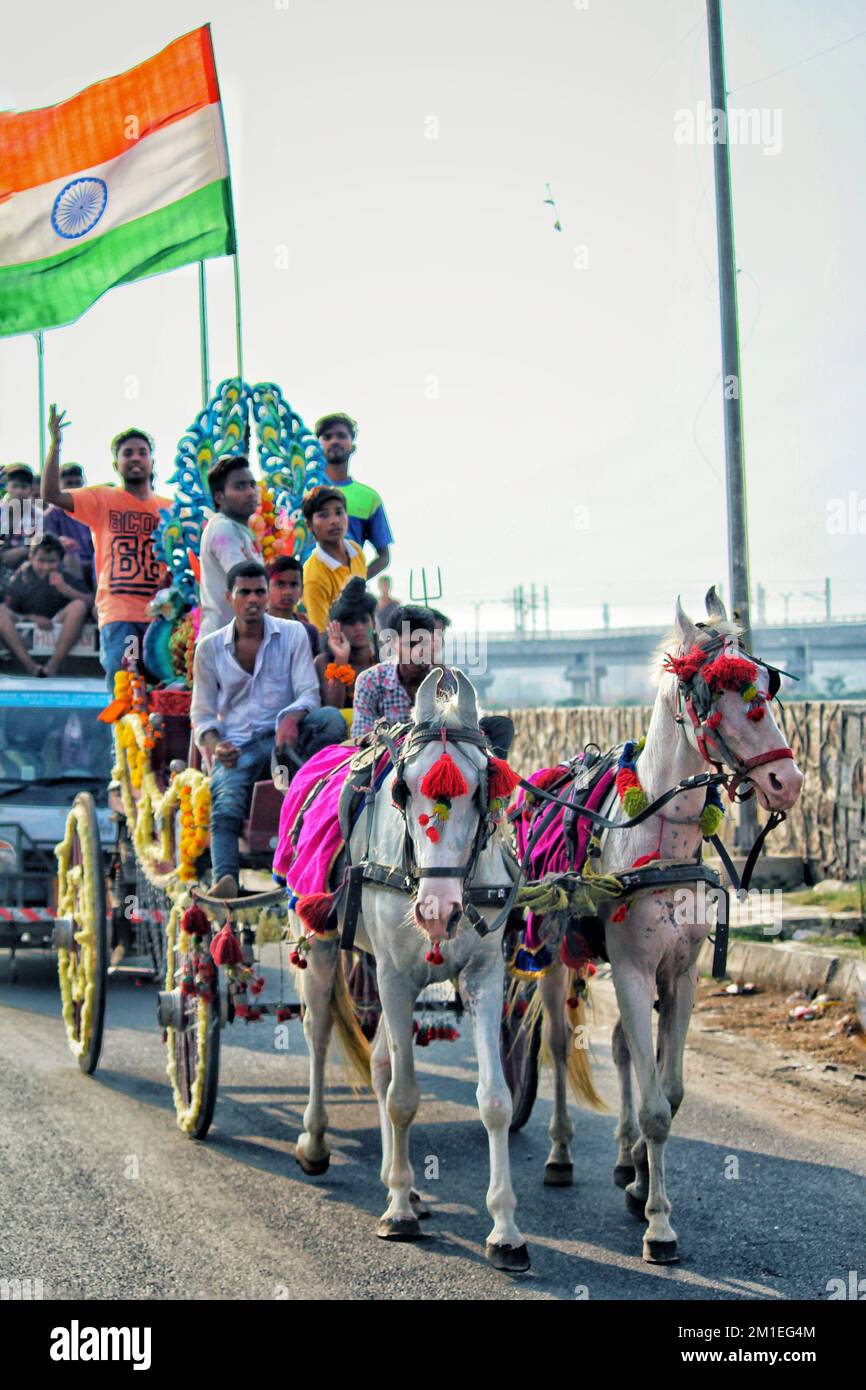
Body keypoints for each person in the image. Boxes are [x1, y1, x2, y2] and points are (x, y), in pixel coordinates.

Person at [190, 561, 347, 897]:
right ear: (229, 597)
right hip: (239, 748)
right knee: (226, 802)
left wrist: (290, 719)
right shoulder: (209, 648)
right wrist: (217, 745)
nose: (253, 599)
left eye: (260, 591)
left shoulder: (292, 634)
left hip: (286, 743)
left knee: (331, 720)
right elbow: (202, 714)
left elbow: (308, 692)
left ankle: (325, 826)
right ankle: (226, 878)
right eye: (244, 592)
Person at [40, 405, 171, 690]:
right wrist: (55, 445)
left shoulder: (170, 509)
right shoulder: (102, 499)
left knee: (163, 699)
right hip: (121, 617)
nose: (135, 458)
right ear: (116, 464)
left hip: (161, 620)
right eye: (127, 453)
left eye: (141, 452)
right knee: (128, 693)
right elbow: (51, 494)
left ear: (151, 461)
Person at [351, 603, 514, 757]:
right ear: (392, 643)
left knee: (500, 726)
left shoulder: (449, 678)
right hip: (390, 760)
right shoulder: (371, 680)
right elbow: (360, 736)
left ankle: (491, 783)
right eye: (409, 644)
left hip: (440, 756)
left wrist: (441, 685)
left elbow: (463, 729)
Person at [315, 412, 393, 578]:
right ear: (317, 445)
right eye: (327, 437)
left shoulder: (369, 498)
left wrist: (356, 583)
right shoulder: (302, 491)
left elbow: (384, 556)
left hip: (346, 601)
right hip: (304, 593)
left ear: (352, 445)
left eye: (341, 436)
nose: (334, 441)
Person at [1, 534, 91, 677]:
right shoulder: (20, 578)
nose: (46, 566)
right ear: (31, 558)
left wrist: (66, 589)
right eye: (41, 561)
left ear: (59, 560)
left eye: (51, 561)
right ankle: (30, 666)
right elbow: (8, 610)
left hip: (57, 623)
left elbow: (91, 601)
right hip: (26, 625)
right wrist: (30, 618)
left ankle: (53, 665)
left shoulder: (64, 577)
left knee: (79, 606)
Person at [198, 456, 261, 638]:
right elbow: (245, 582)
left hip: (234, 638)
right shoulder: (223, 528)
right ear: (219, 497)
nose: (250, 492)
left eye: (252, 484)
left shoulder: (239, 528)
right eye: (240, 487)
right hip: (221, 640)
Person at [314, 577, 378, 733]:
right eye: (351, 622)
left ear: (373, 624)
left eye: (364, 621)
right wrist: (341, 659)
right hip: (340, 744)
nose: (359, 628)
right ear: (336, 628)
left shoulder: (383, 663)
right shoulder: (324, 661)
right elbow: (333, 711)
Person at [301, 485, 367, 632]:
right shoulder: (313, 577)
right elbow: (322, 634)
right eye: (324, 515)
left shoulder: (356, 551)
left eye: (339, 512)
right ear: (309, 525)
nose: (334, 521)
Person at [41, 462, 95, 585]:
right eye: (69, 483)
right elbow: (48, 542)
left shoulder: (91, 510)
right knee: (72, 557)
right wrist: (60, 540)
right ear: (59, 485)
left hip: (92, 561)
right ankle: (80, 593)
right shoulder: (51, 514)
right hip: (66, 563)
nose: (74, 488)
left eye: (77, 483)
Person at [267, 555, 319, 657]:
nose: (287, 592)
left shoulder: (309, 632)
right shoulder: (254, 628)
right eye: (280, 584)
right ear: (266, 587)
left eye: (294, 585)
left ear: (302, 590)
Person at [0, 464, 43, 574]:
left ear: (31, 489)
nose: (19, 491)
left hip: (26, 565)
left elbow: (41, 544)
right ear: (6, 487)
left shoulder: (37, 515)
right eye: (15, 486)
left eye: (23, 487)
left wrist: (23, 551)